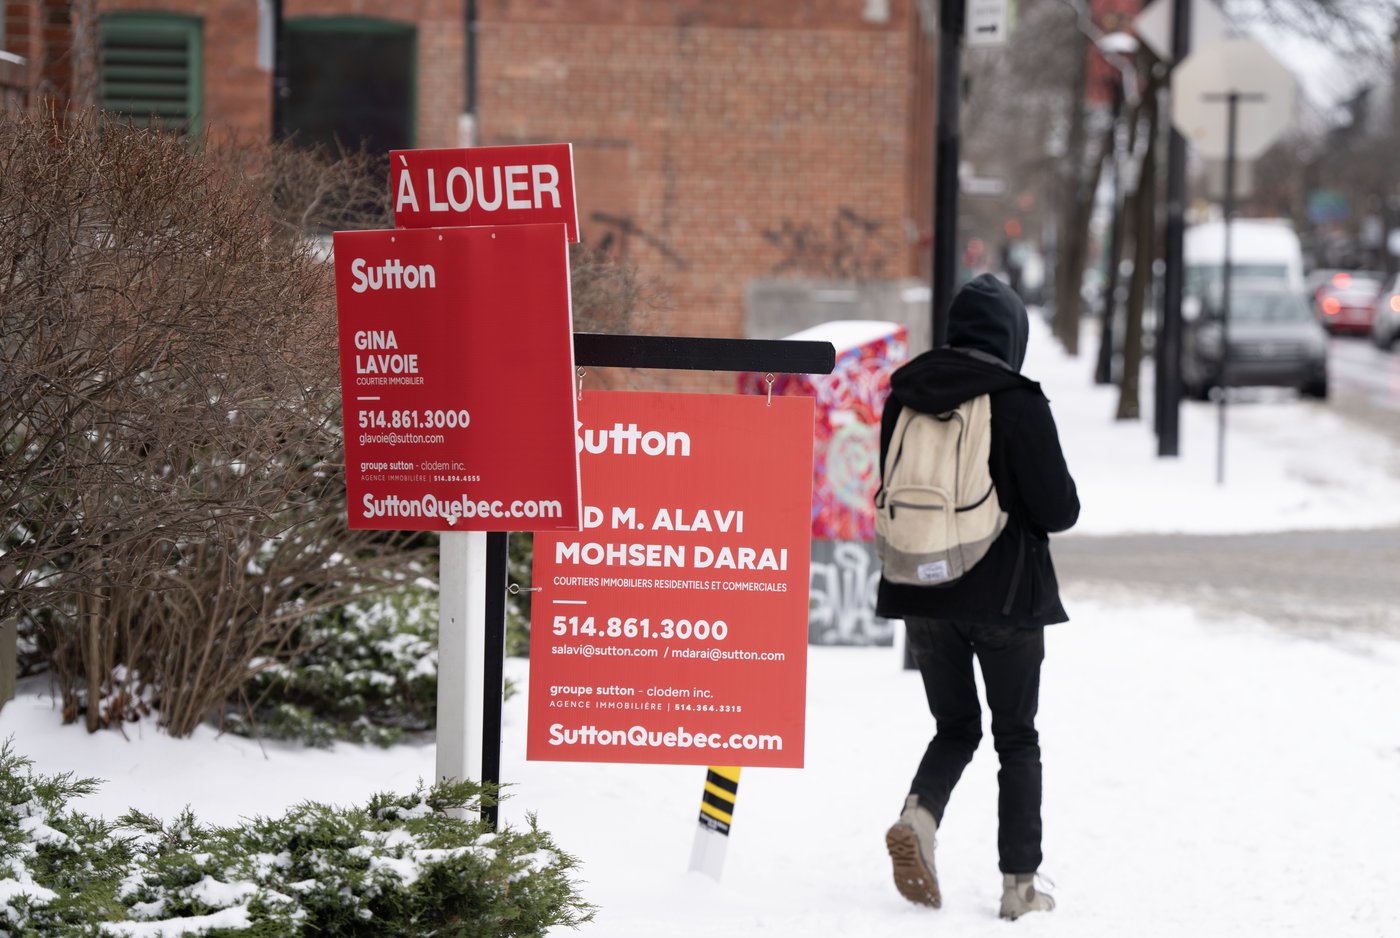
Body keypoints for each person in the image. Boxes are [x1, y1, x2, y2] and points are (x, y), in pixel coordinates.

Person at [876, 273, 1079, 921]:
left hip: (923, 590)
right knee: (1016, 737)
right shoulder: (1016, 400)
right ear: (1012, 336)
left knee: (955, 725)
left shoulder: (905, 394)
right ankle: (1019, 887)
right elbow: (1058, 509)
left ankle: (919, 817)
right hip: (1006, 599)